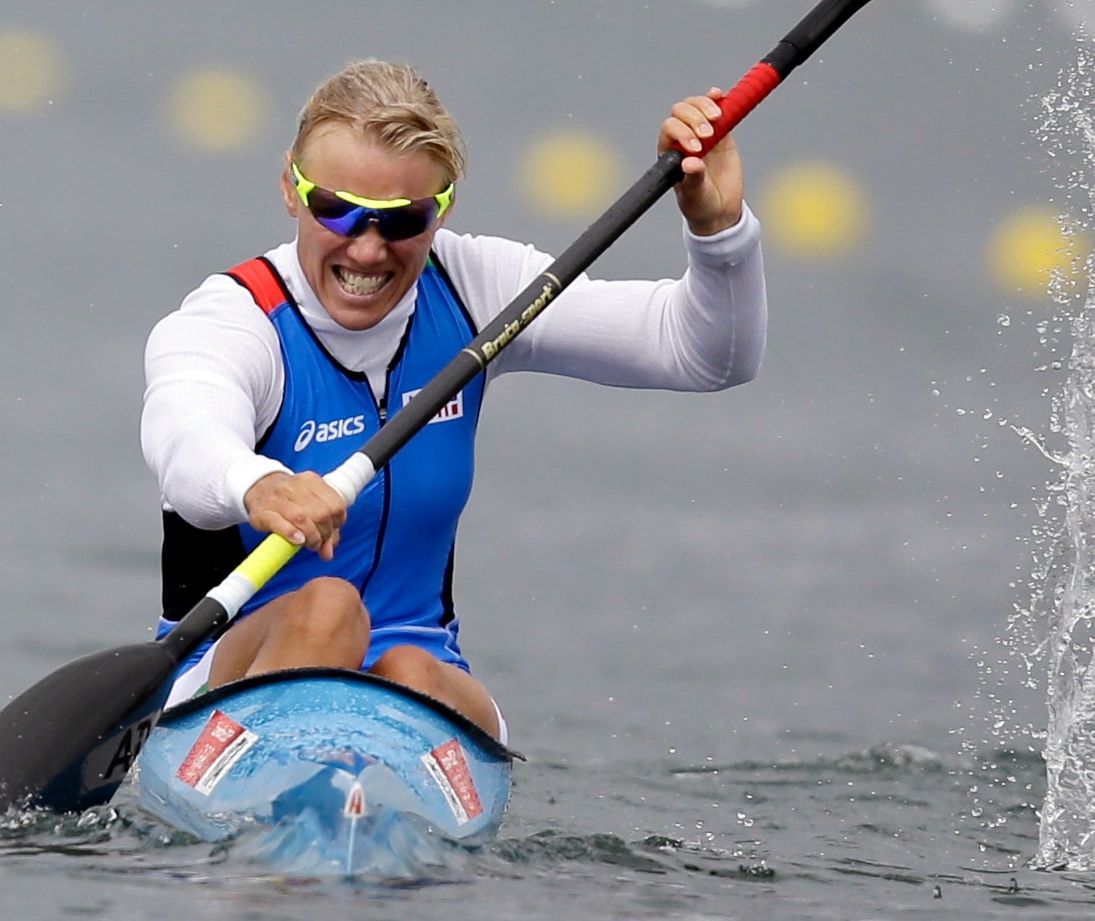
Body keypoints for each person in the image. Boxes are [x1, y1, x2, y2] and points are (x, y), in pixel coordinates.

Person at [140, 59, 765, 741]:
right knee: (326, 607)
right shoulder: (234, 320)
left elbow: (706, 354)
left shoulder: (477, 288)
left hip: (420, 670)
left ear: (444, 207)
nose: (369, 249)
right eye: (336, 209)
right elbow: (186, 438)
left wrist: (719, 231)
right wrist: (258, 484)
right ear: (291, 189)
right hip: (225, 671)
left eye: (403, 219)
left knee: (409, 668)